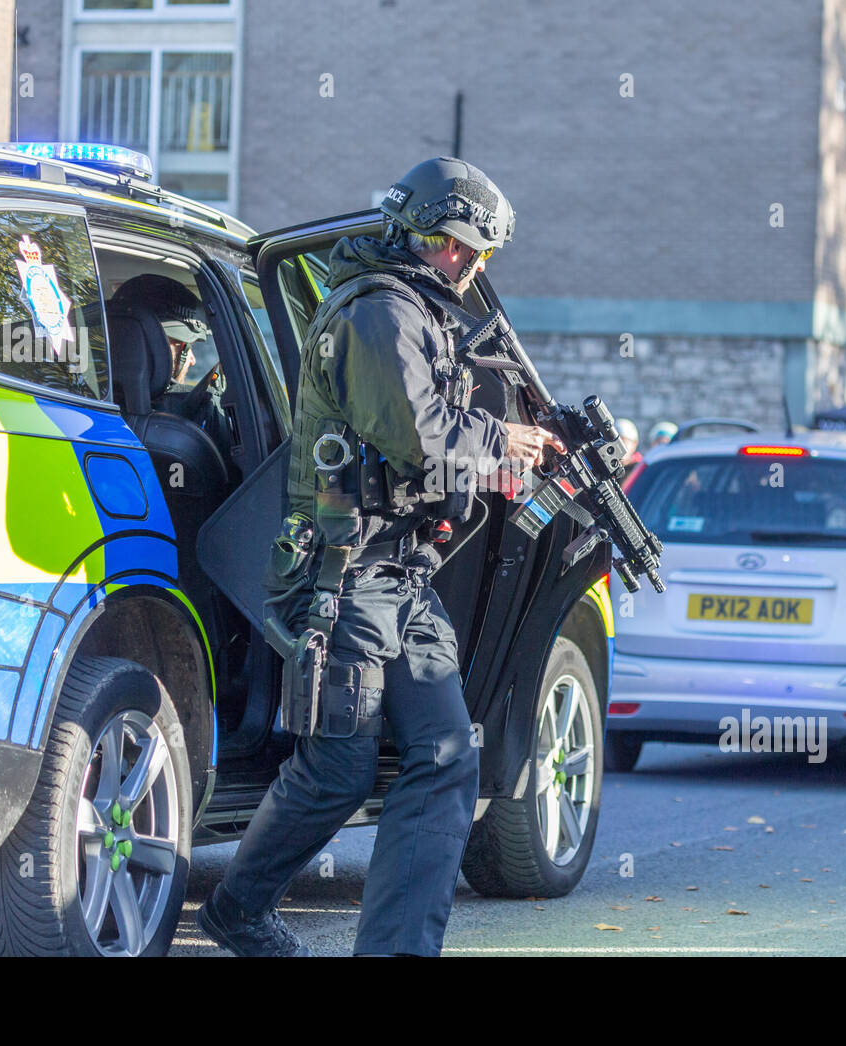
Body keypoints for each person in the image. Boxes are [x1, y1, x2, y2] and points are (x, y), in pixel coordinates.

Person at [197, 157, 562, 957]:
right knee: (338, 767)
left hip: (400, 573)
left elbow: (423, 454)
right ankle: (234, 911)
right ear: (416, 234)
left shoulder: (421, 312)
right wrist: (502, 442)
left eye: (475, 254)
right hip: (339, 575)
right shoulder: (377, 313)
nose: (465, 264)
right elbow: (417, 433)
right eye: (454, 246)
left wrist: (502, 462)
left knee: (445, 757)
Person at [110, 274, 229, 451]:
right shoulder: (180, 435)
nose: (193, 360)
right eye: (187, 348)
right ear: (155, 345)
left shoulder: (79, 402)